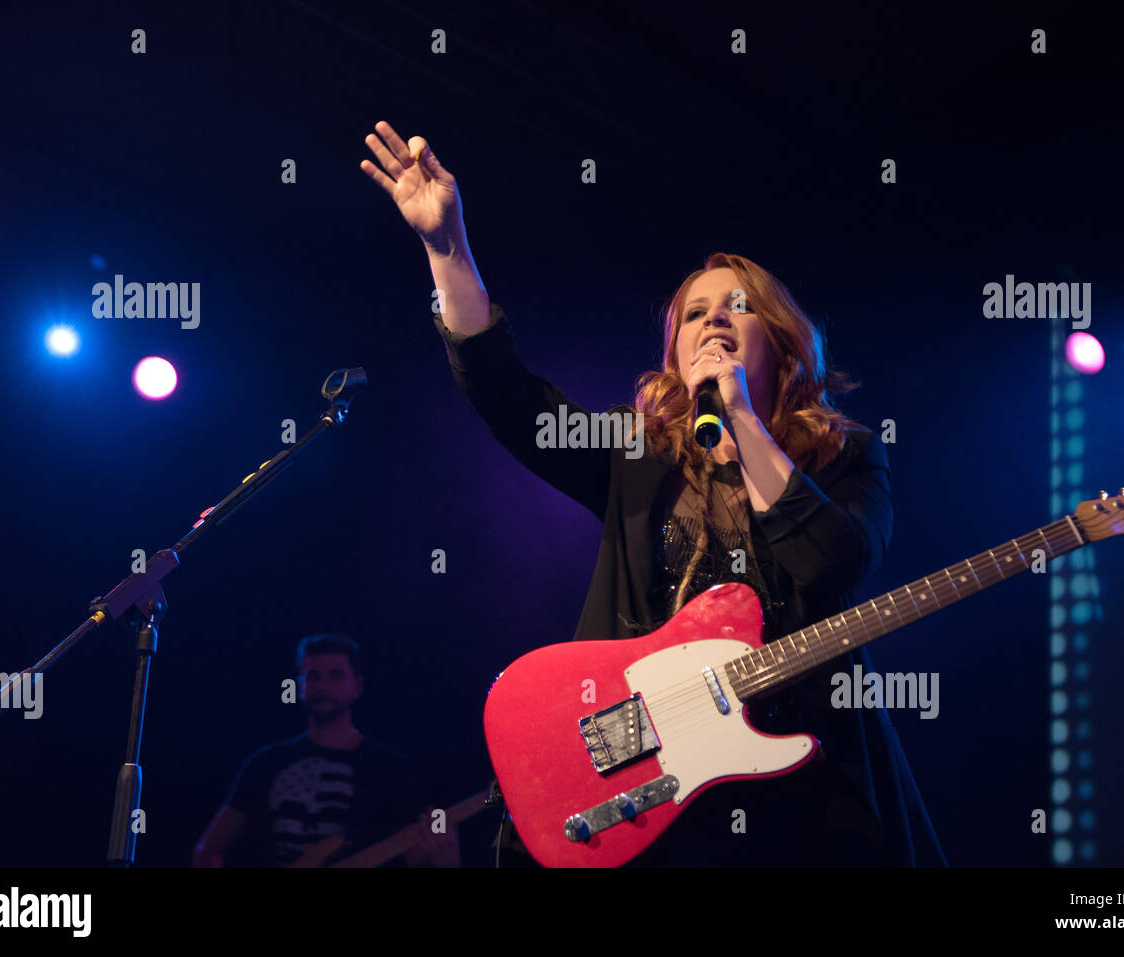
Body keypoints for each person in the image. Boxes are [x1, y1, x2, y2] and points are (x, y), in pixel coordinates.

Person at [360, 121, 946, 867]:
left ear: (782, 339)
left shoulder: (847, 455)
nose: (713, 320)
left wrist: (740, 418)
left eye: (736, 306)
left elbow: (833, 567)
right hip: (652, 780)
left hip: (800, 799)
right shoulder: (635, 454)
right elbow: (514, 401)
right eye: (696, 312)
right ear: (673, 348)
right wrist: (448, 248)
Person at [192, 633, 458, 867]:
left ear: (358, 686)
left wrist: (445, 859)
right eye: (313, 676)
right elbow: (208, 851)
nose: (323, 686)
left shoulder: (390, 768)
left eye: (336, 675)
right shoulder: (266, 764)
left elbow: (414, 855)